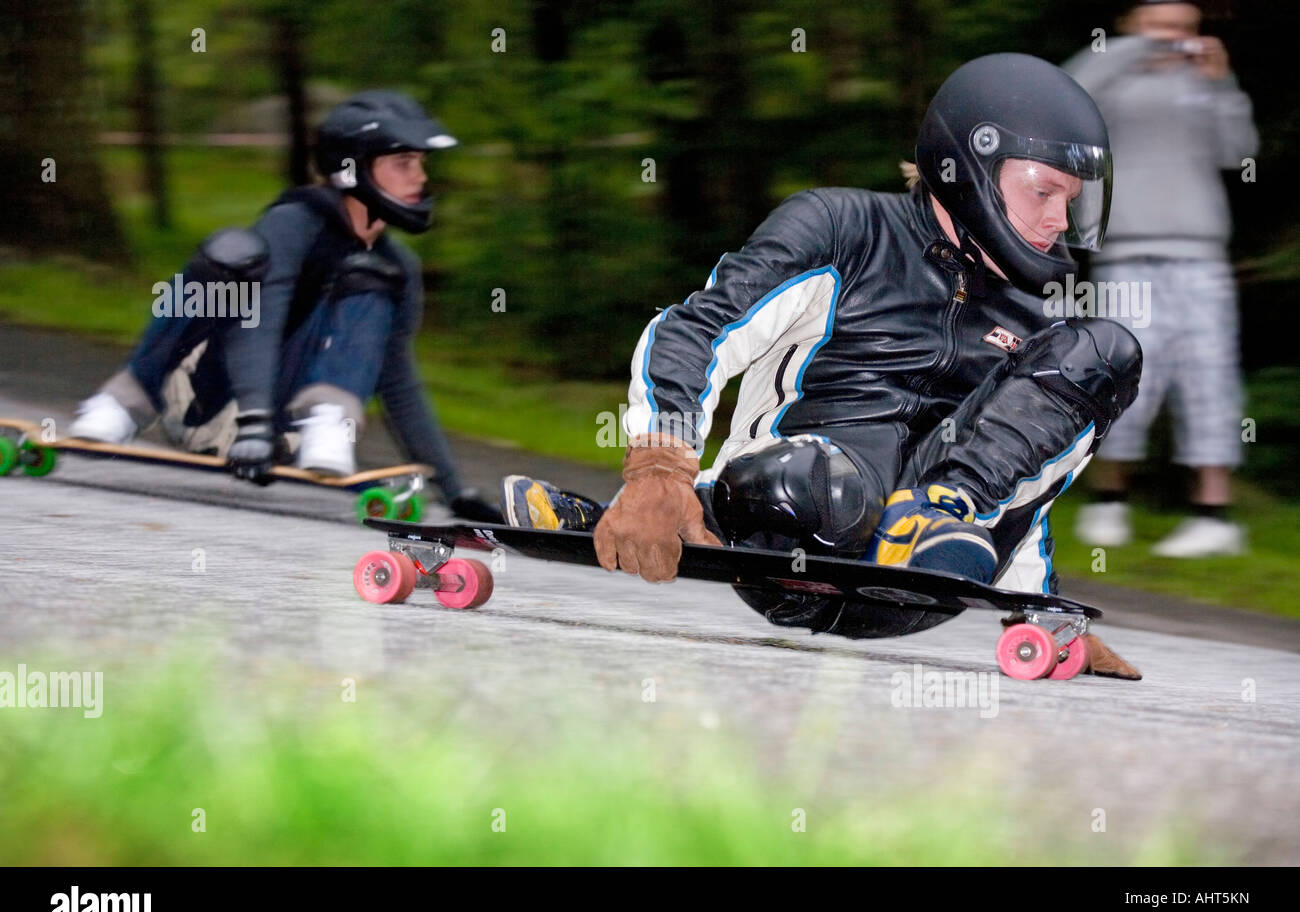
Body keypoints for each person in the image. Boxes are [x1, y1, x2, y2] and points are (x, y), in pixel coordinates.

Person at [501, 53, 1143, 677]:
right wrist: (657, 469)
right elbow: (697, 329)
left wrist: (1045, 614)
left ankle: (934, 516)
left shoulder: (1036, 320)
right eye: (1044, 192)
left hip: (925, 582)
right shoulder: (841, 227)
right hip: (796, 526)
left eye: (1072, 200)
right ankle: (677, 511)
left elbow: (1031, 478)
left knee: (1105, 348)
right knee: (813, 484)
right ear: (971, 169)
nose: (1059, 220)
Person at [70, 90, 500, 520]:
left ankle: (328, 422)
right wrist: (252, 423)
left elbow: (398, 381)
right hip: (206, 400)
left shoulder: (397, 266)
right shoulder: (293, 223)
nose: (420, 177)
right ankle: (123, 405)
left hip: (289, 434)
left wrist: (453, 487)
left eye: (421, 163)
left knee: (373, 273)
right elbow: (258, 321)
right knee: (228, 257)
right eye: (404, 163)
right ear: (352, 168)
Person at [1064, 0, 1258, 557]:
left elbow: (1239, 151)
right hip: (1128, 253)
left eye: (1183, 28)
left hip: (1201, 257)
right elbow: (1072, 92)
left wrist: (1222, 85)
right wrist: (1137, 51)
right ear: (1130, 27)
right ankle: (1109, 504)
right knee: (1124, 380)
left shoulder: (1205, 86)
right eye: (1160, 26)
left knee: (1209, 380)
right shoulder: (1112, 81)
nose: (1173, 37)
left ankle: (1214, 516)